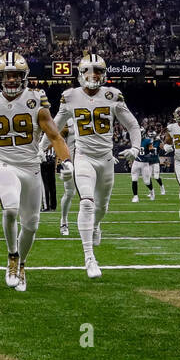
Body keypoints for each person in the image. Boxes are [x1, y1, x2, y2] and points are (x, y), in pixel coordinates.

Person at [0, 52, 71, 292]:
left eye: (16, 75)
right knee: (10, 209)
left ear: (24, 77)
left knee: (32, 225)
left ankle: (22, 263)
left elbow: (54, 134)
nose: (12, 80)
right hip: (4, 163)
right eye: (7, 75)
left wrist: (66, 160)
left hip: (31, 166)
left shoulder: (36, 98)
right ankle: (12, 257)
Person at [57, 53, 141, 279]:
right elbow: (55, 127)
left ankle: (95, 226)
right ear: (81, 73)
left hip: (105, 159)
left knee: (101, 207)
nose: (93, 75)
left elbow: (133, 125)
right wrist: (41, 148)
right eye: (88, 71)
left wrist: (135, 148)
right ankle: (89, 257)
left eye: (98, 71)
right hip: (83, 156)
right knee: (86, 203)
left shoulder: (113, 95)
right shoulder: (70, 96)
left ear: (104, 74)